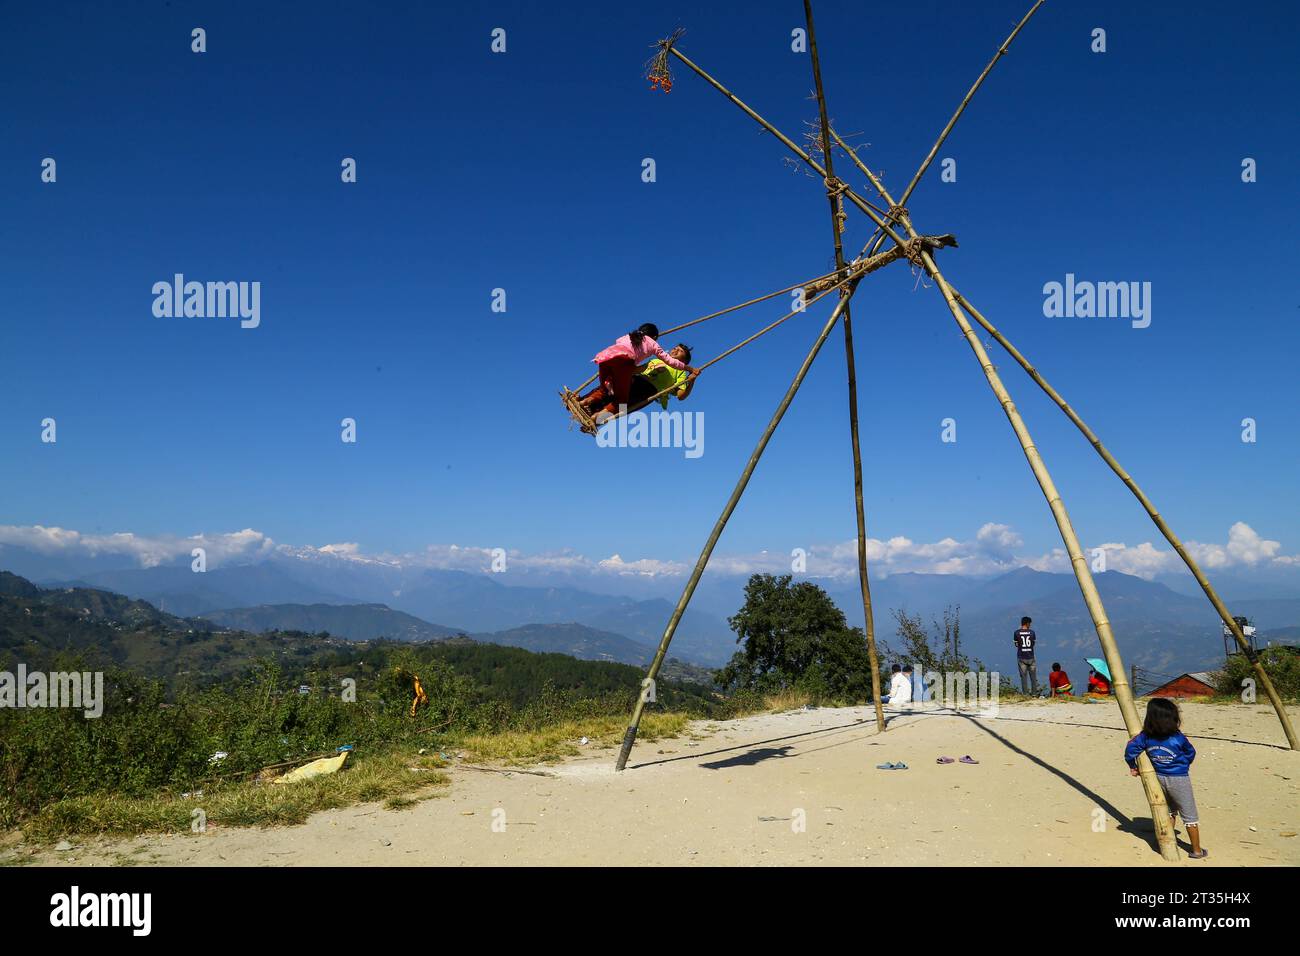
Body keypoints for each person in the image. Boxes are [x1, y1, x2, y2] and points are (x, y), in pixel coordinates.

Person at [1124, 698, 1206, 859]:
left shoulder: (1146, 737)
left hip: (1158, 777)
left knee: (1168, 811)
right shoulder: (1178, 737)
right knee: (1189, 816)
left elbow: (1130, 749)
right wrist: (1182, 765)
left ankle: (1165, 842)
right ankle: (1196, 850)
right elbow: (1191, 753)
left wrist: (1133, 766)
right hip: (1179, 779)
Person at [580, 324, 697, 417]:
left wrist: (691, 380)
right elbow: (639, 368)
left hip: (649, 389)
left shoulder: (680, 371)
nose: (675, 350)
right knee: (610, 388)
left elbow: (680, 396)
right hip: (636, 378)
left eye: (680, 351)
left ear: (685, 361)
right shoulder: (657, 359)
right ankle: (586, 403)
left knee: (624, 405)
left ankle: (596, 418)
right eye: (675, 348)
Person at [1013, 615, 1038, 695]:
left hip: (1021, 657)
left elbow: (1016, 644)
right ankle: (1034, 694)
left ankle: (1025, 694)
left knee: (1023, 677)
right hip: (1031, 656)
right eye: (1029, 623)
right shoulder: (1032, 632)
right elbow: (1033, 643)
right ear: (1027, 623)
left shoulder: (1016, 632)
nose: (1030, 625)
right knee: (1033, 677)